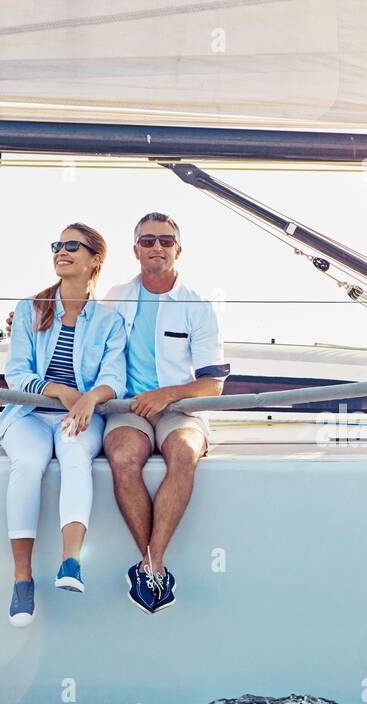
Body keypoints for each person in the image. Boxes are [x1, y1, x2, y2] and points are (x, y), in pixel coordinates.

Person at [0, 223, 127, 627]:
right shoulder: (29, 308)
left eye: (72, 245)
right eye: (57, 245)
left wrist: (87, 398)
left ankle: (71, 563)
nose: (61, 251)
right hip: (29, 415)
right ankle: (22, 579)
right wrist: (60, 391)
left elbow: (115, 378)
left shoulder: (108, 320)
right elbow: (16, 373)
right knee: (29, 465)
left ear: (94, 261)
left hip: (81, 416)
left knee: (75, 459)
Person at [101, 212, 229, 615]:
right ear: (135, 248)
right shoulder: (114, 298)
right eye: (148, 240)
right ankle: (154, 566)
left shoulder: (198, 306)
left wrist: (166, 395)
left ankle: (149, 566)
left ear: (178, 248)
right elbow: (81, 336)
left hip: (180, 408)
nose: (157, 246)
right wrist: (32, 322)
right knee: (122, 458)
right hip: (127, 408)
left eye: (165, 240)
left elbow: (212, 384)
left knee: (185, 454)